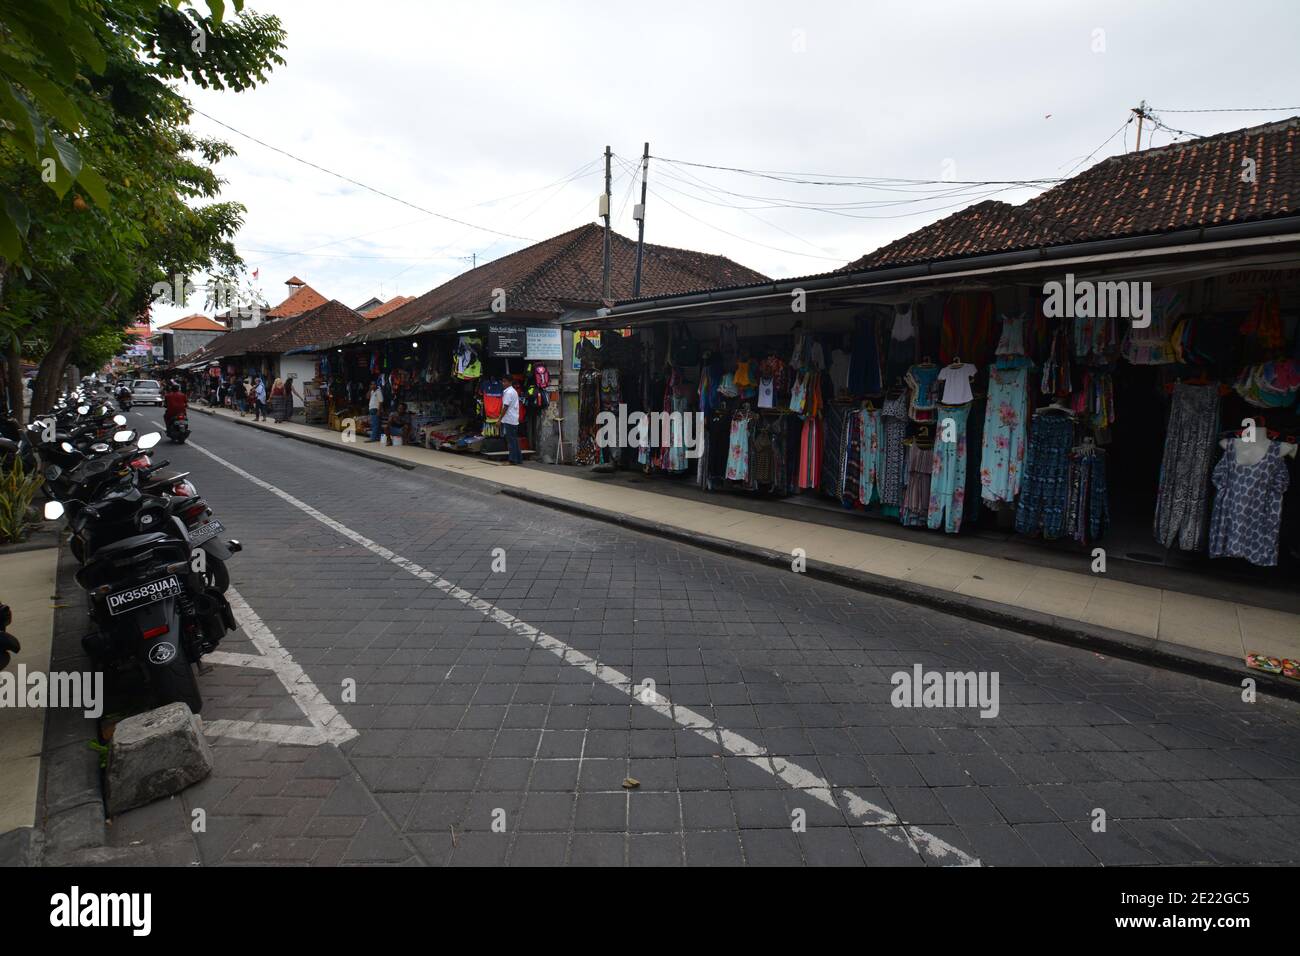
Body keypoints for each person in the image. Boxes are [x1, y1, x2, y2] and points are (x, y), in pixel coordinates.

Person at [501, 377, 522, 464]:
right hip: (513, 418)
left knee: (511, 441)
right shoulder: (513, 391)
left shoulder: (509, 392)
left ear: (509, 382)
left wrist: (499, 419)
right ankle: (518, 459)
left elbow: (505, 407)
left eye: (504, 381)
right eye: (502, 381)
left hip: (509, 419)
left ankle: (512, 460)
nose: (503, 383)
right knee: (514, 440)